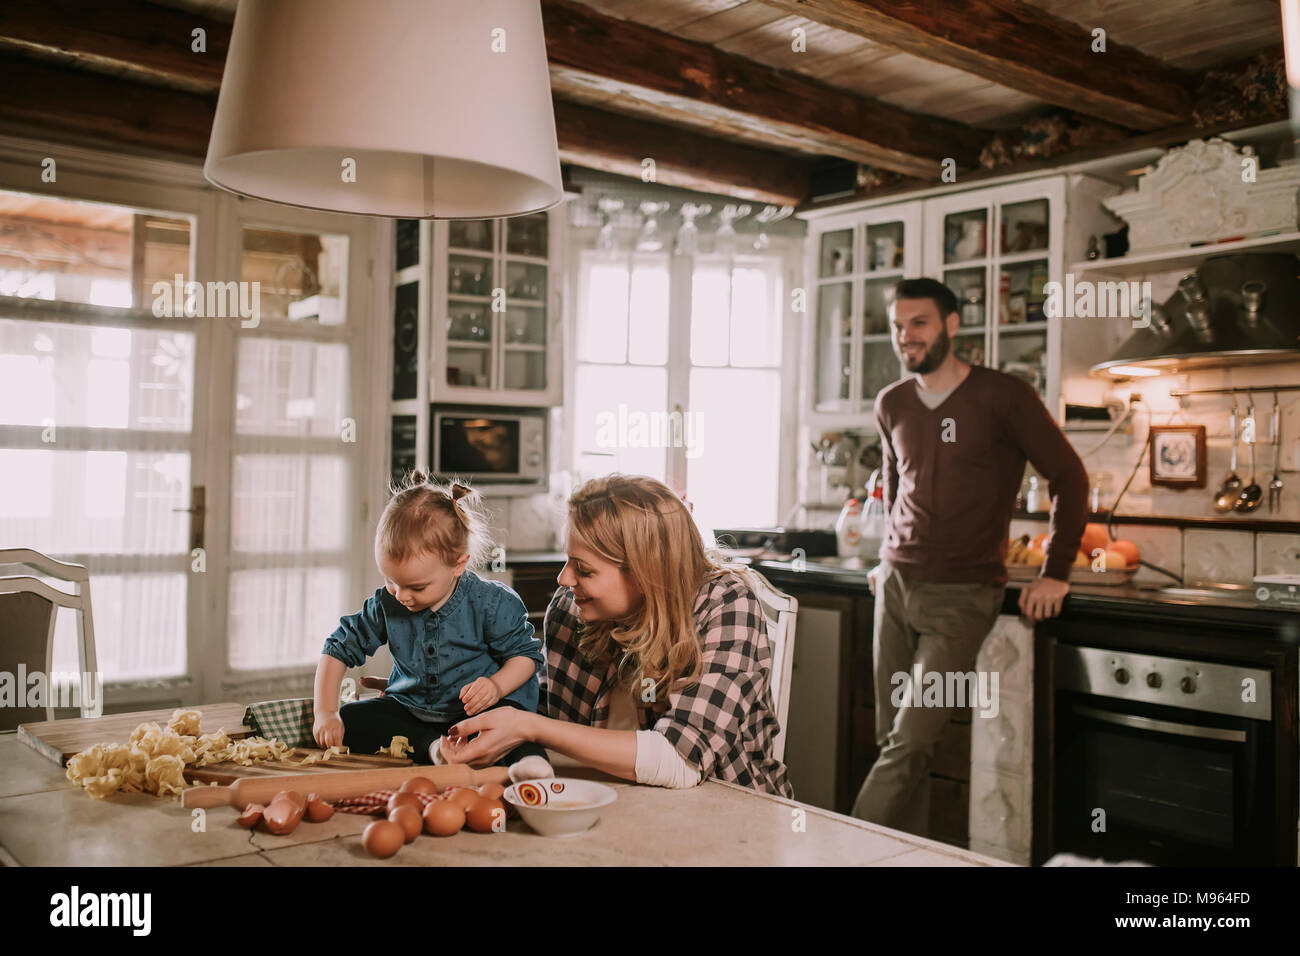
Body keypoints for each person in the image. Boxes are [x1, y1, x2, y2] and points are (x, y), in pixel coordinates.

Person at [851, 277, 1087, 836]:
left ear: (952, 325)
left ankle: (845, 851)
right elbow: (895, 483)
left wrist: (1056, 573)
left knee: (909, 743)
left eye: (920, 323)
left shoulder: (1004, 396)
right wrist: (885, 557)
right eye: (898, 325)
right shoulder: (893, 402)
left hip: (962, 594)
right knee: (893, 741)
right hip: (895, 587)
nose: (906, 336)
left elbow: (1070, 477)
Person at [438, 474, 792, 797]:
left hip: (730, 815)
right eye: (568, 560)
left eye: (585, 570)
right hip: (609, 796)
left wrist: (528, 726)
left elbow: (679, 761)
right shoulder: (571, 607)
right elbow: (545, 707)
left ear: (645, 572)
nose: (564, 579)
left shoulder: (727, 605)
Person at [312, 472, 550, 772]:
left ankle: (529, 760)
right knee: (354, 720)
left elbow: (526, 658)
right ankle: (435, 748)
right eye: (391, 581)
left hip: (479, 712)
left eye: (417, 587)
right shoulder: (387, 603)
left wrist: (496, 686)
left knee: (511, 725)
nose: (401, 595)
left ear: (457, 565)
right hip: (412, 712)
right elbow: (337, 647)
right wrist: (326, 712)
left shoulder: (489, 602)